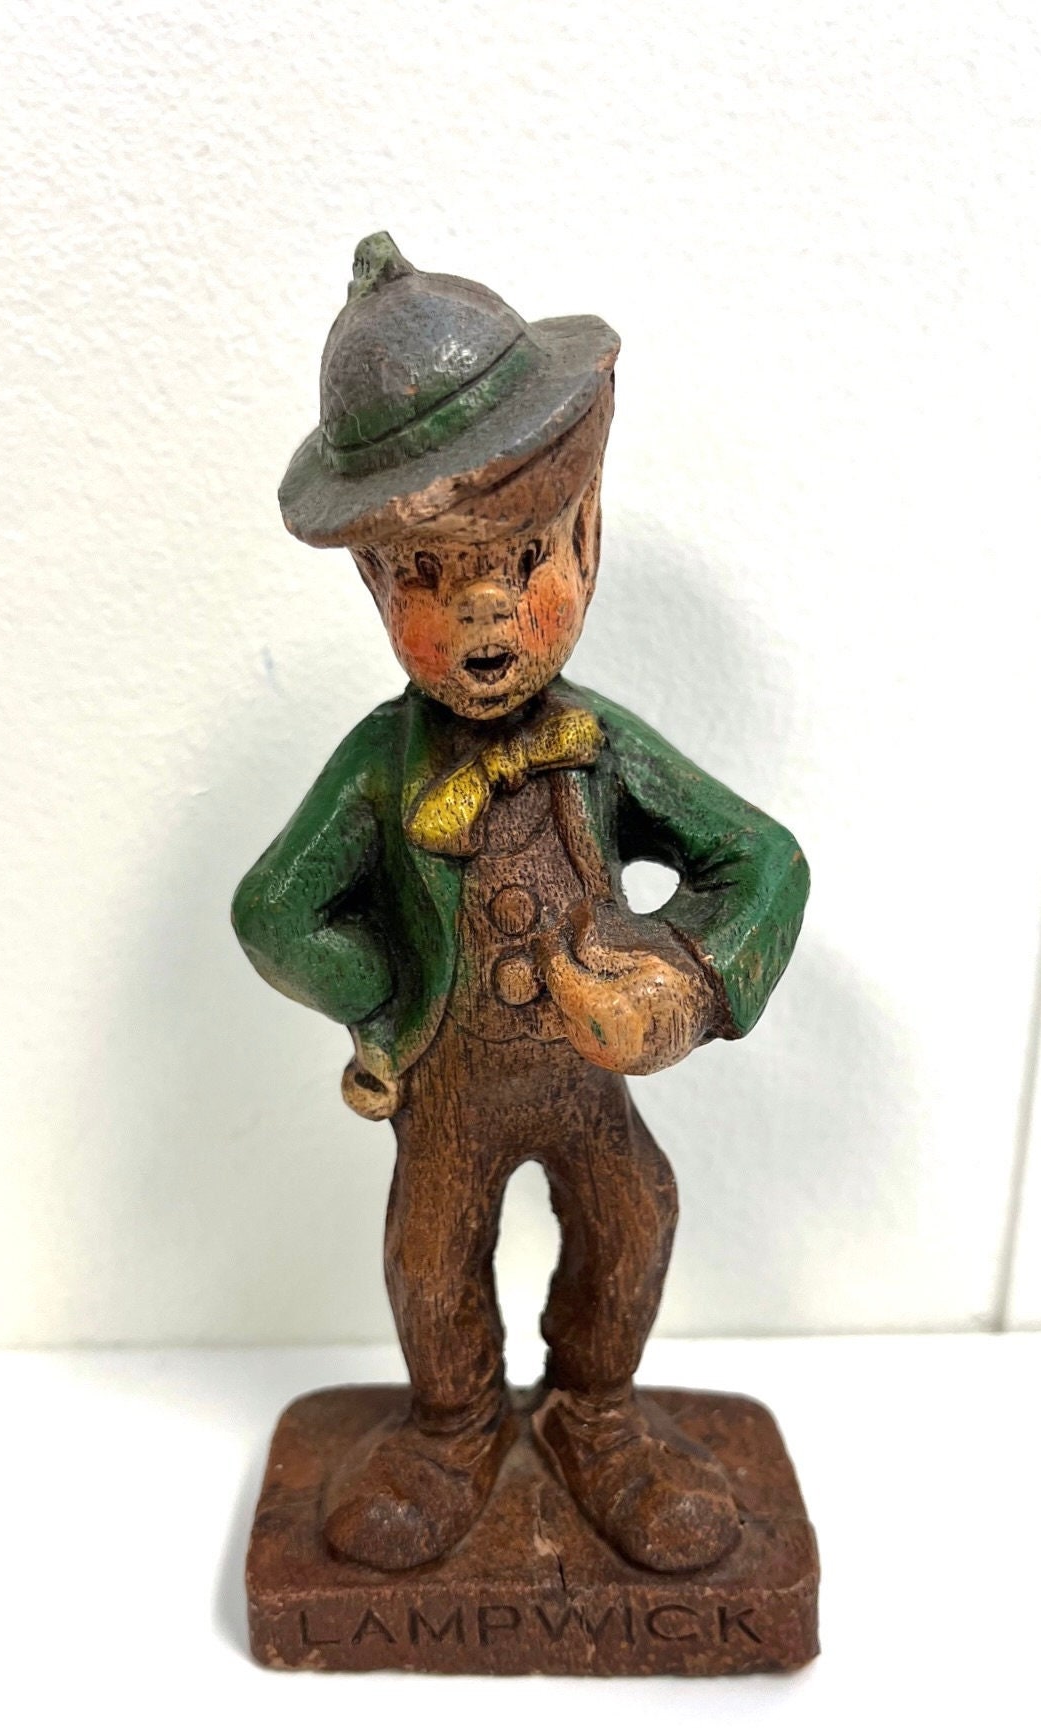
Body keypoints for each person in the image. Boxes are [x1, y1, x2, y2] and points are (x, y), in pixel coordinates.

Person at [233, 235, 808, 1575]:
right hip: (451, 1089)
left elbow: (762, 860)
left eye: (524, 559)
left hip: (586, 1076)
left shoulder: (602, 748)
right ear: (376, 585)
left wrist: (685, 981)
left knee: (633, 1216)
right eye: (430, 577)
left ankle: (596, 1416)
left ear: (585, 538)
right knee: (433, 1252)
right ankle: (451, 1431)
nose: (486, 616)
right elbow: (274, 913)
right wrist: (387, 1006)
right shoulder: (382, 767)